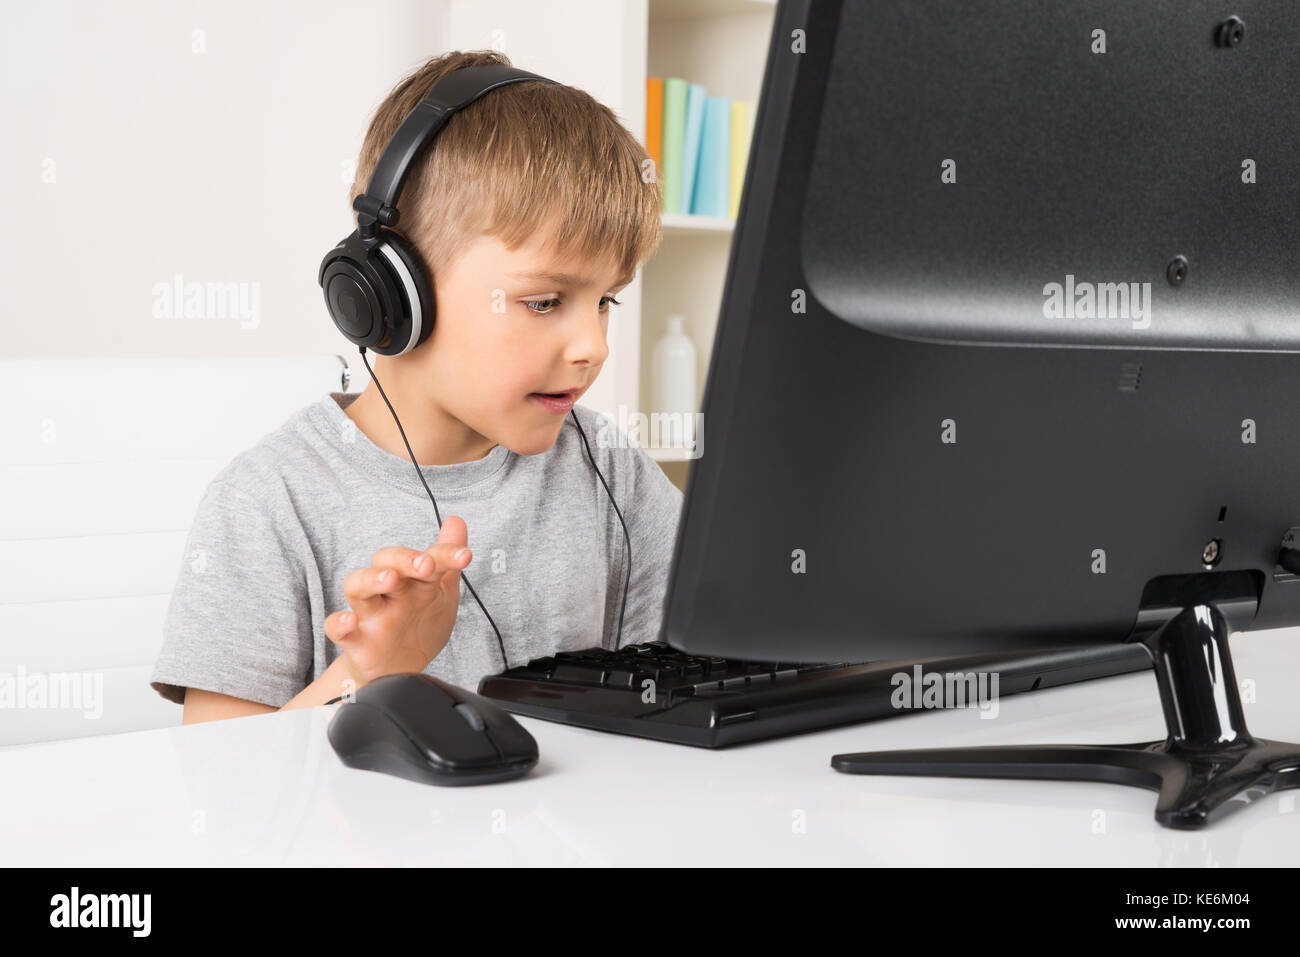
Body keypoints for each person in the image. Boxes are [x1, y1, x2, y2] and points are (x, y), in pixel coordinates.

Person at [149, 49, 682, 723]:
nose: (594, 347)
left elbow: (689, 681)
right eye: (545, 302)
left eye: (608, 300)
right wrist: (368, 671)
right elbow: (221, 791)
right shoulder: (270, 501)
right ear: (395, 290)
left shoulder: (609, 469)